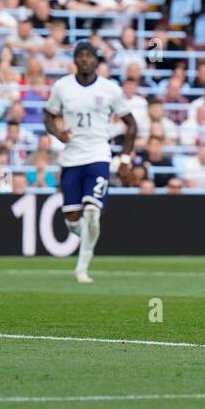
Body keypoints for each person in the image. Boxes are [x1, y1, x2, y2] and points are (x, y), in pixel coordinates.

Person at [43, 41, 137, 283]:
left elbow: (132, 124)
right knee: (73, 221)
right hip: (72, 158)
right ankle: (87, 239)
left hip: (98, 156)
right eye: (80, 55)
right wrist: (58, 133)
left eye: (89, 56)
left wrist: (125, 159)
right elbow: (48, 115)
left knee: (93, 212)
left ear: (97, 60)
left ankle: (82, 267)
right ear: (75, 60)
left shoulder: (110, 89)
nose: (85, 59)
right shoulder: (62, 87)